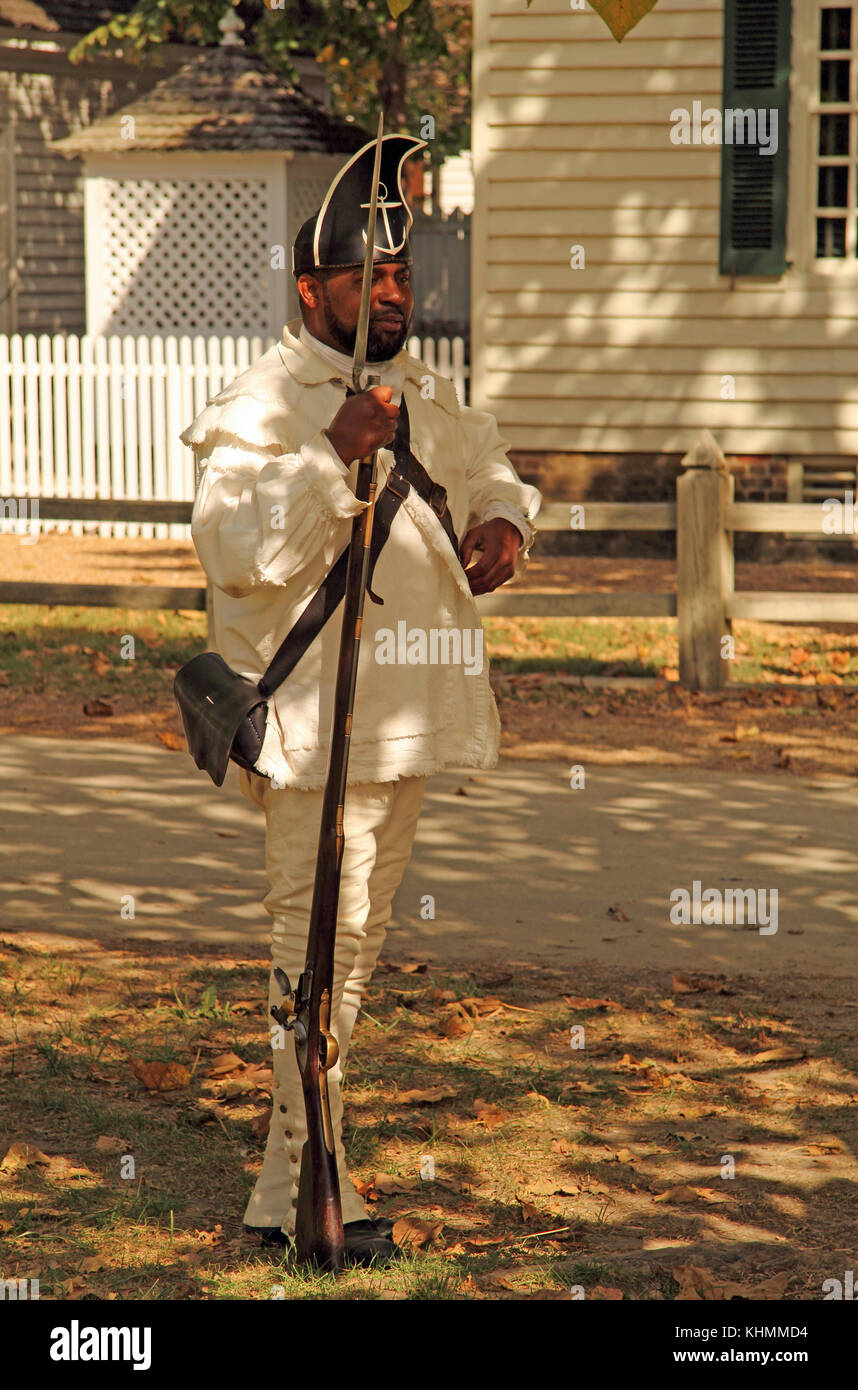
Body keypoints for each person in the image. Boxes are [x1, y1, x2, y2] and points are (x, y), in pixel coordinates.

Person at [182, 132, 542, 1266]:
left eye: (401, 274)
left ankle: (295, 1181)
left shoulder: (415, 384)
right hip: (309, 735)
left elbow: (481, 457)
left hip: (399, 721)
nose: (396, 294)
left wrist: (504, 519)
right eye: (369, 279)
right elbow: (235, 552)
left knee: (360, 952)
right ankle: (311, 1189)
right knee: (313, 954)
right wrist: (328, 459)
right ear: (311, 289)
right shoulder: (261, 407)